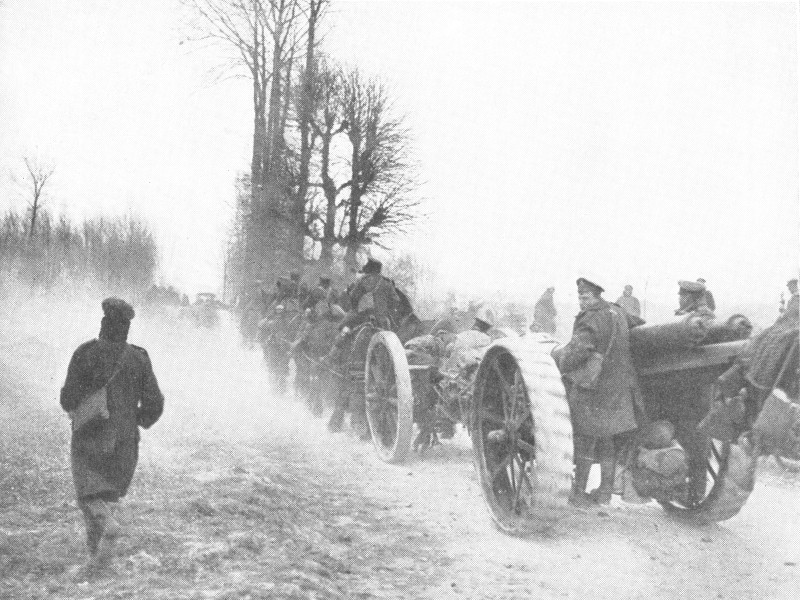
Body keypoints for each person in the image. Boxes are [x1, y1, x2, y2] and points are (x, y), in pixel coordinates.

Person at [60, 298, 164, 575]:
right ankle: (97, 565)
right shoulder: (139, 358)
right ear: (127, 327)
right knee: (105, 500)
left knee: (89, 498)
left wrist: (82, 408)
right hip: (125, 445)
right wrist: (135, 420)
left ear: (104, 323)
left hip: (90, 439)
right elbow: (155, 404)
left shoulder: (85, 353)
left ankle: (106, 537)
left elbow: (67, 398)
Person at [553, 277, 643, 506]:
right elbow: (639, 324)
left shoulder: (591, 317)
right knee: (607, 439)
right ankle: (604, 492)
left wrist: (558, 359)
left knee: (584, 439)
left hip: (593, 387)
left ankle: (579, 493)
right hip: (618, 386)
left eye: (584, 298)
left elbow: (579, 350)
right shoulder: (618, 312)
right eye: (580, 298)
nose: (581, 302)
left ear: (595, 297)